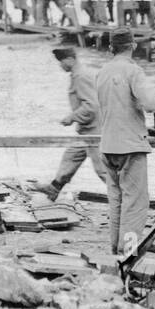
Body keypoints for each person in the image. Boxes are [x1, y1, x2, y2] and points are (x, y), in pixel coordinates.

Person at [97, 28, 155, 254]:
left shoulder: (102, 72)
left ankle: (116, 251)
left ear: (111, 48)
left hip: (108, 145)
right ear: (133, 45)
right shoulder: (133, 71)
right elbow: (152, 103)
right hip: (130, 145)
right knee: (135, 205)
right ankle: (127, 254)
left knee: (117, 202)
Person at [38, 46, 109, 200]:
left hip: (94, 130)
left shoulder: (80, 76)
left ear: (70, 60)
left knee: (102, 169)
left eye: (61, 62)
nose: (60, 65)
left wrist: (72, 117)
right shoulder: (81, 73)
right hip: (86, 129)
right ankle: (54, 187)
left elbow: (92, 105)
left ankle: (124, 199)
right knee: (71, 156)